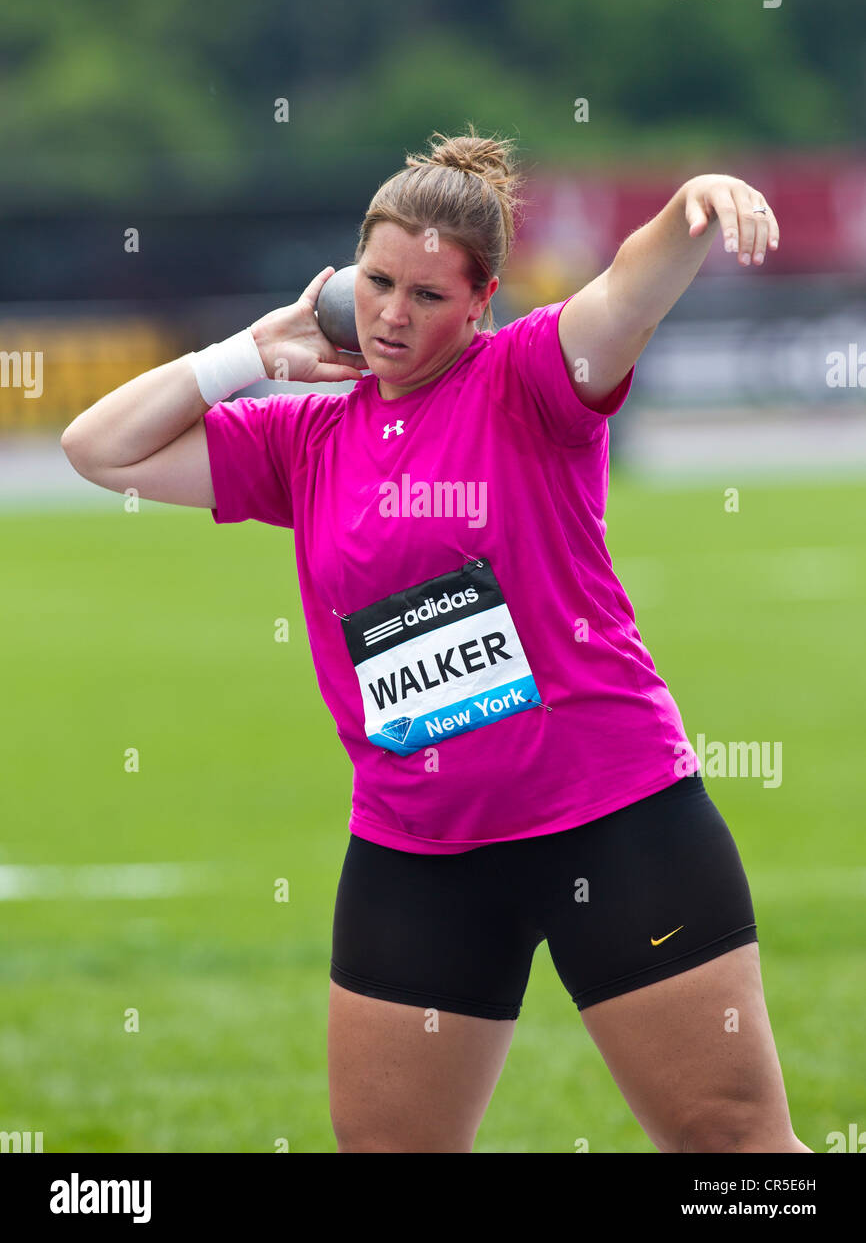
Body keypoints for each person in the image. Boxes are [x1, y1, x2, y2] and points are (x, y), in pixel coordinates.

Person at [61, 126, 810, 1155]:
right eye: (374, 284)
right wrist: (250, 354)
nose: (391, 316)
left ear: (479, 303)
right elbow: (95, 449)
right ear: (340, 282)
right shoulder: (303, 438)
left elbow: (622, 296)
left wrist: (690, 205)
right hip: (419, 851)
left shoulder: (529, 383)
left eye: (424, 295)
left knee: (730, 1145)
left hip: (614, 817)